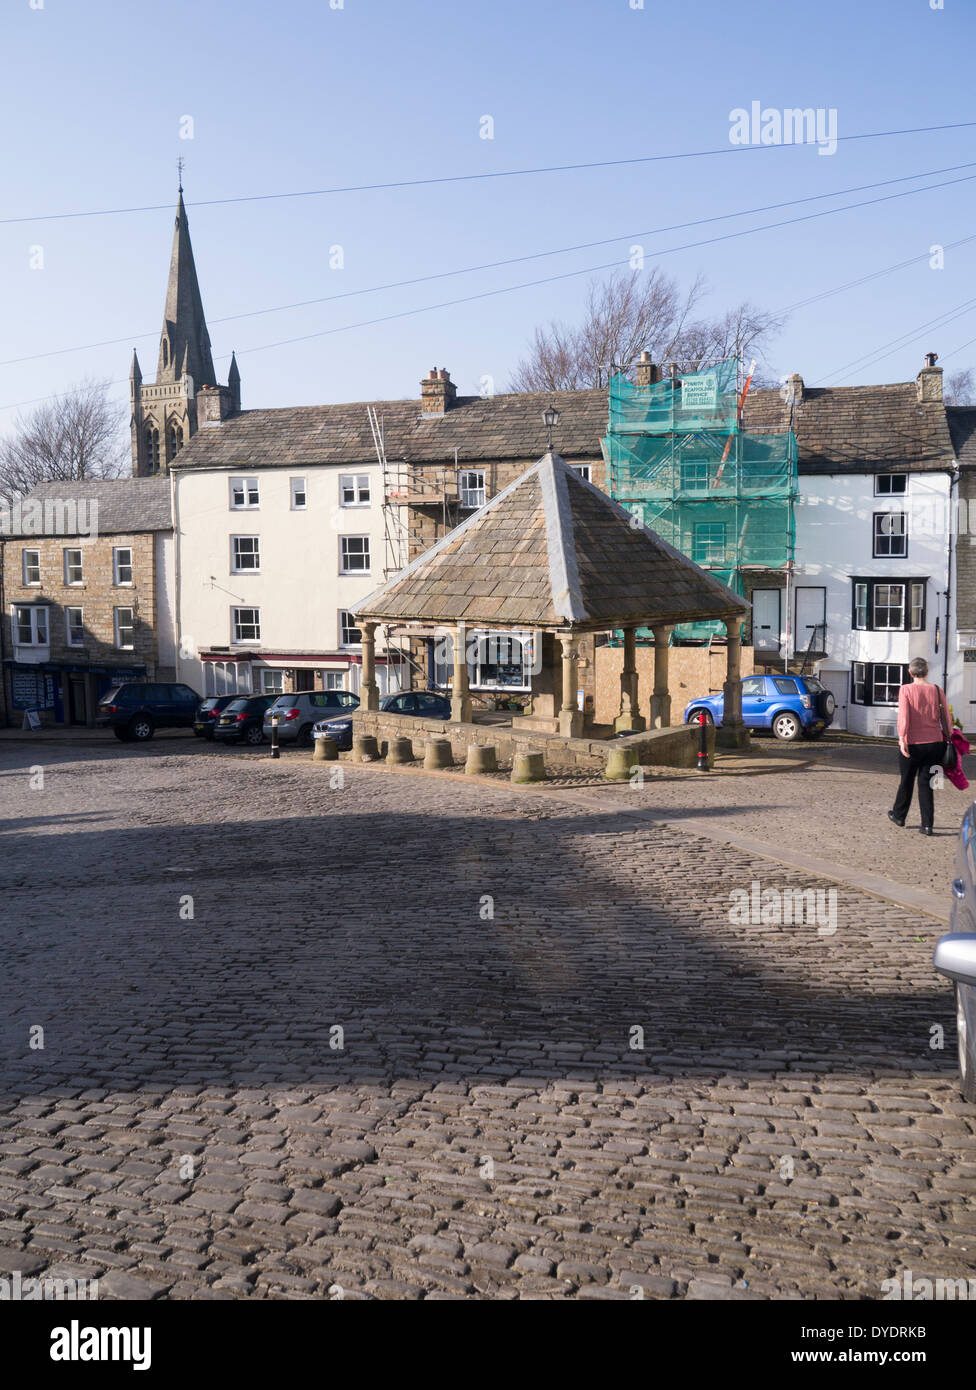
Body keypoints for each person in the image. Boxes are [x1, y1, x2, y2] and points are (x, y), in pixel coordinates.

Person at [888, 657, 950, 835]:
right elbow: (945, 717)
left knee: (906, 780)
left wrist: (902, 738)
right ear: (927, 671)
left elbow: (905, 717)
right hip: (935, 743)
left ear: (910, 672)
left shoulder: (906, 690)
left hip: (913, 743)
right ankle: (928, 825)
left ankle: (899, 816)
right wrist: (948, 738)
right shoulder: (937, 690)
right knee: (928, 784)